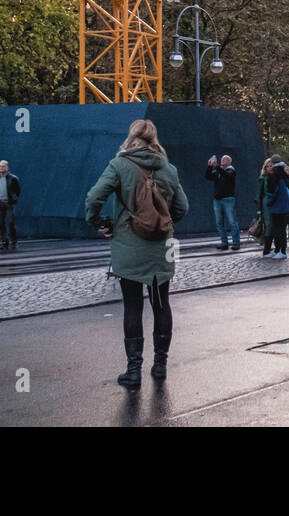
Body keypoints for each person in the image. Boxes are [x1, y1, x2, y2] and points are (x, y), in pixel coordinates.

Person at [85, 119, 189, 388]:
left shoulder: (119, 164)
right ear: (154, 139)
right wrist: (163, 222)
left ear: (131, 137)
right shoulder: (168, 168)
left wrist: (99, 222)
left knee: (132, 306)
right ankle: (160, 365)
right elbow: (182, 208)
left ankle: (133, 371)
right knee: (161, 304)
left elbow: (94, 198)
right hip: (162, 248)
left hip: (128, 244)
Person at [262, 156, 289, 258]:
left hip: (276, 206)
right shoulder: (284, 174)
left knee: (277, 229)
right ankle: (280, 250)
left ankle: (281, 251)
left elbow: (272, 192)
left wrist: (268, 202)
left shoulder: (273, 175)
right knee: (282, 229)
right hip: (284, 206)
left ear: (273, 162)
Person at [205, 154, 239, 251]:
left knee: (232, 222)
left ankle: (236, 243)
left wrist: (216, 167)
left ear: (229, 162)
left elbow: (226, 175)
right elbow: (208, 176)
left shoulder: (231, 170)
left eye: (225, 159)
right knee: (219, 222)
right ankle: (224, 243)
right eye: (222, 159)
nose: (222, 161)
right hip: (217, 200)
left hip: (228, 199)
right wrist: (209, 166)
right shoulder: (218, 170)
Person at [0, 159, 22, 252]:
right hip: (0, 203)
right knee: (1, 224)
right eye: (0, 166)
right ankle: (4, 242)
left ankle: (14, 241)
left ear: (7, 167)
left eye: (3, 166)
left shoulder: (13, 178)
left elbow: (18, 190)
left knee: (11, 223)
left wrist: (13, 199)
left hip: (9, 203)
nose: (1, 168)